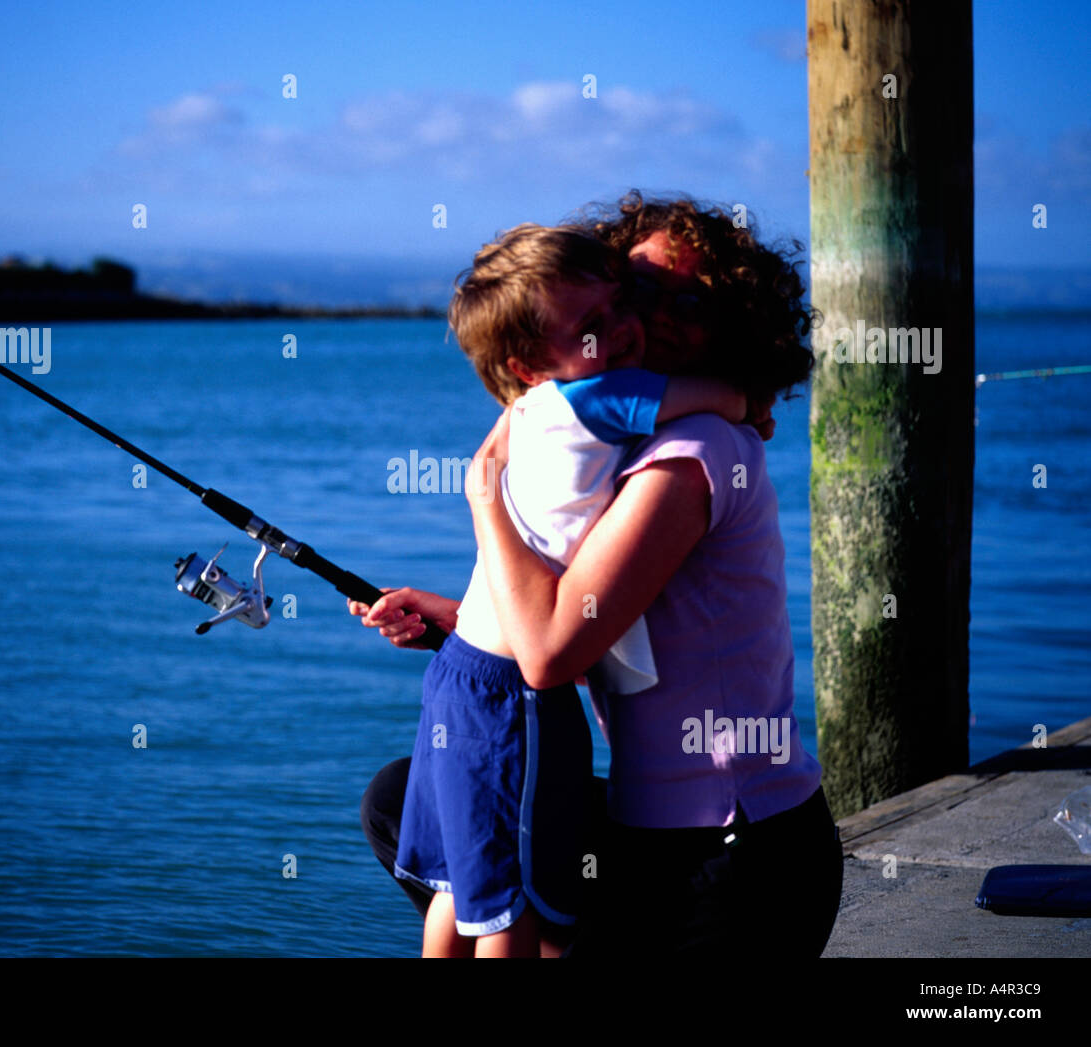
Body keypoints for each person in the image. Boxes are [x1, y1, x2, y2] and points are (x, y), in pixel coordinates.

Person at [354, 193, 842, 958]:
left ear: (736, 320)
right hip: (641, 834)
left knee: (487, 830)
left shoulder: (693, 454)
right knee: (404, 796)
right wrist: (461, 625)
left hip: (729, 857)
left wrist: (483, 487)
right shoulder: (621, 445)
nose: (659, 314)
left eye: (693, 299)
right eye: (640, 289)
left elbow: (551, 655)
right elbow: (606, 639)